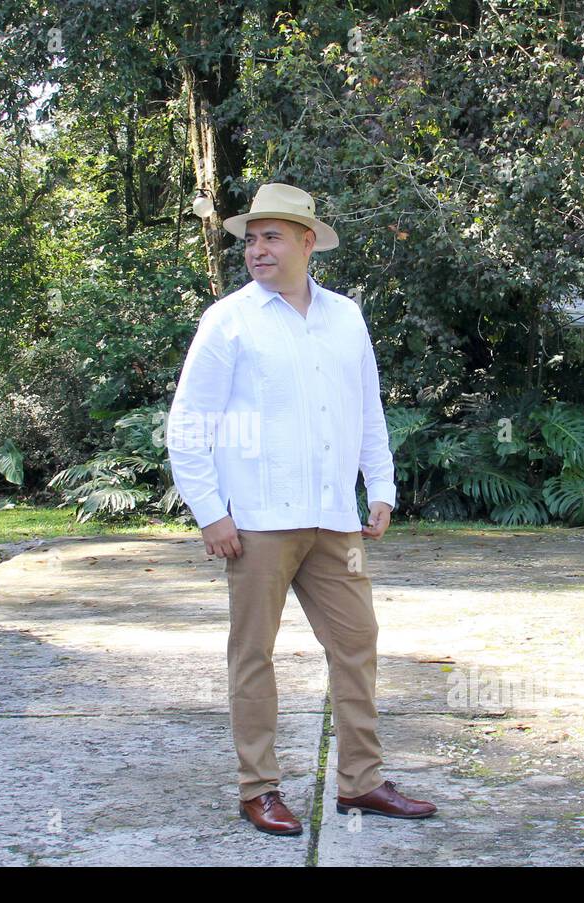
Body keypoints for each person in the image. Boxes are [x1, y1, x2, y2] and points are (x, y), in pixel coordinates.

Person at [167, 182, 439, 836]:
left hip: (335, 521)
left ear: (307, 242)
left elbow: (367, 408)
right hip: (257, 524)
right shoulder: (228, 320)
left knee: (357, 645)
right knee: (253, 655)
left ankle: (361, 782)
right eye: (251, 238)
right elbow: (189, 425)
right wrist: (210, 510)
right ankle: (258, 788)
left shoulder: (346, 316)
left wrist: (381, 487)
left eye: (271, 237)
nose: (257, 249)